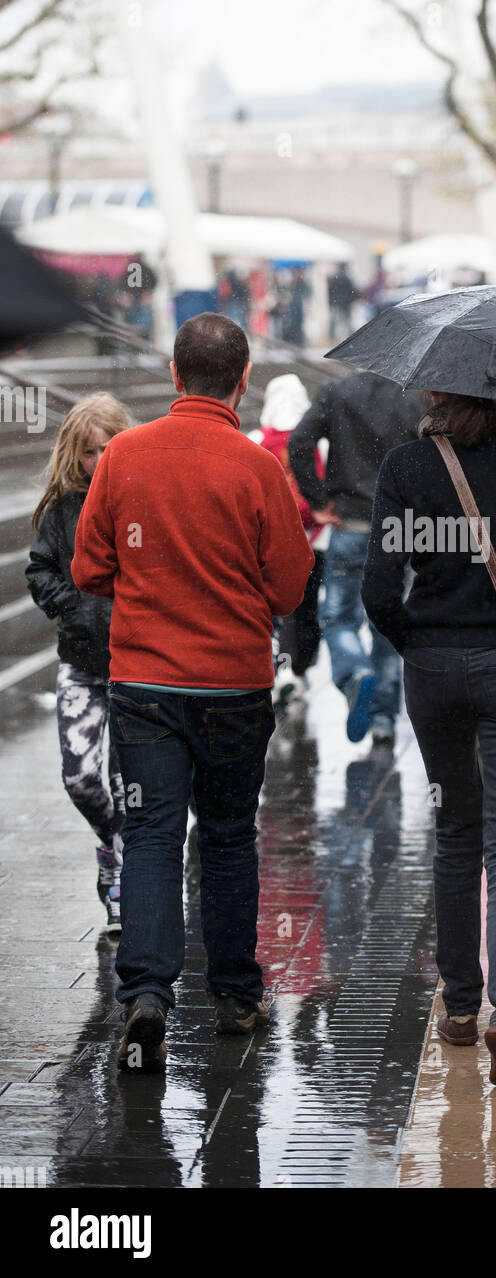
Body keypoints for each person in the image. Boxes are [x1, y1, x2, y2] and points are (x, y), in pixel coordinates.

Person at [72, 313, 314, 1070]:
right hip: (235, 686)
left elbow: (87, 569)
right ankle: (238, 994)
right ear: (242, 382)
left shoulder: (123, 457)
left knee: (149, 835)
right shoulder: (259, 469)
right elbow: (287, 585)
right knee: (228, 836)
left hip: (144, 681)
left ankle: (146, 993)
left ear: (175, 376)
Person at [361, 393, 496, 1088]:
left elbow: (376, 590)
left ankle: (458, 1005)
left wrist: (417, 642)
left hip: (432, 667)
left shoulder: (405, 466)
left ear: (433, 393)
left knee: (455, 831)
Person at [26, 394, 132, 933]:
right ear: (75, 453)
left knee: (125, 780)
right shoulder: (63, 509)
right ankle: (112, 846)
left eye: (108, 448)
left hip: (134, 664)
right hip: (81, 662)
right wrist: (71, 605)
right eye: (88, 451)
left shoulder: (138, 498)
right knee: (80, 776)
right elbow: (39, 569)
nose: (98, 460)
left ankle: (122, 888)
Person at [288, 370, 420, 747]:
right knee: (388, 623)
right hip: (398, 528)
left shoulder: (337, 390)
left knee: (339, 616)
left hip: (350, 521)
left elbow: (300, 443)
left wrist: (318, 500)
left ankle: (354, 673)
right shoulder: (413, 397)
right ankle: (383, 720)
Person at [247, 373, 327, 704]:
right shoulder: (316, 440)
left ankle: (280, 664)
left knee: (274, 606)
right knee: (306, 606)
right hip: (313, 538)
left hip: (271, 541)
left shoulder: (255, 439)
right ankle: (300, 666)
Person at [327, 263, 358, 343]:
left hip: (336, 303)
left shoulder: (335, 278)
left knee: (335, 322)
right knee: (345, 323)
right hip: (345, 304)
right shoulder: (347, 278)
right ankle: (347, 340)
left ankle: (333, 339)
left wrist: (331, 302)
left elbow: (330, 291)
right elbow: (352, 292)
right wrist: (350, 301)